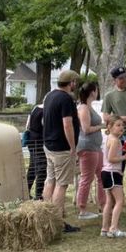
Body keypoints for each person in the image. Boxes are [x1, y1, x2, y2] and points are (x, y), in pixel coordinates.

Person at [42, 70, 82, 233]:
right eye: (75, 83)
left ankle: (45, 216)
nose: (76, 85)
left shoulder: (50, 96)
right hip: (61, 148)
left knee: (50, 180)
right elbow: (67, 124)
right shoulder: (66, 99)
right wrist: (73, 147)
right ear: (71, 82)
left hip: (49, 145)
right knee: (62, 184)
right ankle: (57, 222)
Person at [100, 67, 126, 205]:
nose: (124, 80)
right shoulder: (110, 96)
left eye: (125, 77)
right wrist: (124, 119)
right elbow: (105, 116)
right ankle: (117, 197)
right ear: (115, 80)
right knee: (119, 166)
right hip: (121, 139)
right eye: (120, 78)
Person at [75, 81, 106, 220]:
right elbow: (86, 129)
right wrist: (102, 126)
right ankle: (82, 209)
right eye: (96, 90)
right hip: (87, 147)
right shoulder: (83, 108)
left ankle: (103, 205)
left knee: (101, 176)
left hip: (96, 147)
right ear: (92, 91)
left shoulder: (90, 107)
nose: (97, 92)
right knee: (86, 178)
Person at [99, 116, 126, 238]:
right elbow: (111, 158)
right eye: (117, 125)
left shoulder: (109, 138)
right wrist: (125, 157)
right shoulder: (115, 140)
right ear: (109, 127)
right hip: (111, 172)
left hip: (107, 172)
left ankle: (104, 228)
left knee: (109, 201)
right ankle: (113, 228)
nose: (121, 127)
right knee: (119, 200)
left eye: (122, 125)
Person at [24, 102, 46, 200]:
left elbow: (27, 125)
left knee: (32, 169)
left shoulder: (35, 108)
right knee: (42, 169)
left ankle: (25, 192)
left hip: (31, 141)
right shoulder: (45, 112)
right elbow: (45, 126)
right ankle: (39, 194)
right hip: (40, 143)